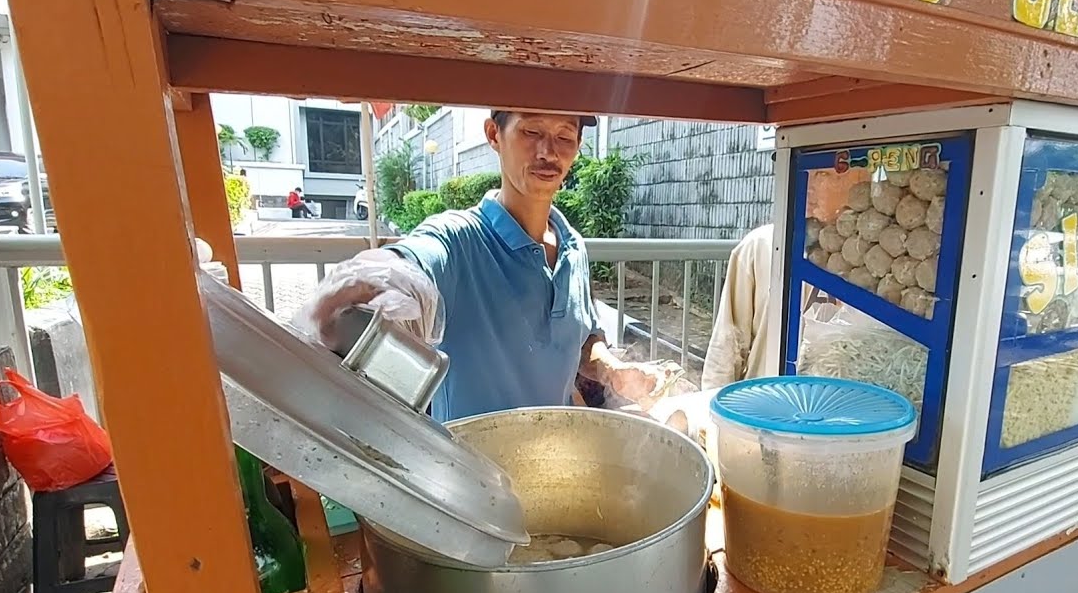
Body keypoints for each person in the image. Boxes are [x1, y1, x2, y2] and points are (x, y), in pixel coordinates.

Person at [296, 110, 663, 423]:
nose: (548, 151)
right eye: (531, 131)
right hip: (470, 480)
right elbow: (411, 260)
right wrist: (369, 281)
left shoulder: (573, 247)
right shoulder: (458, 241)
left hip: (557, 465)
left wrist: (613, 369)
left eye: (564, 136)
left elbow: (582, 341)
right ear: (493, 134)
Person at [701, 224, 827, 389]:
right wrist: (711, 400)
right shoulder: (760, 245)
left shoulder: (862, 256)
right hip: (762, 398)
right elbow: (728, 342)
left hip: (837, 403)